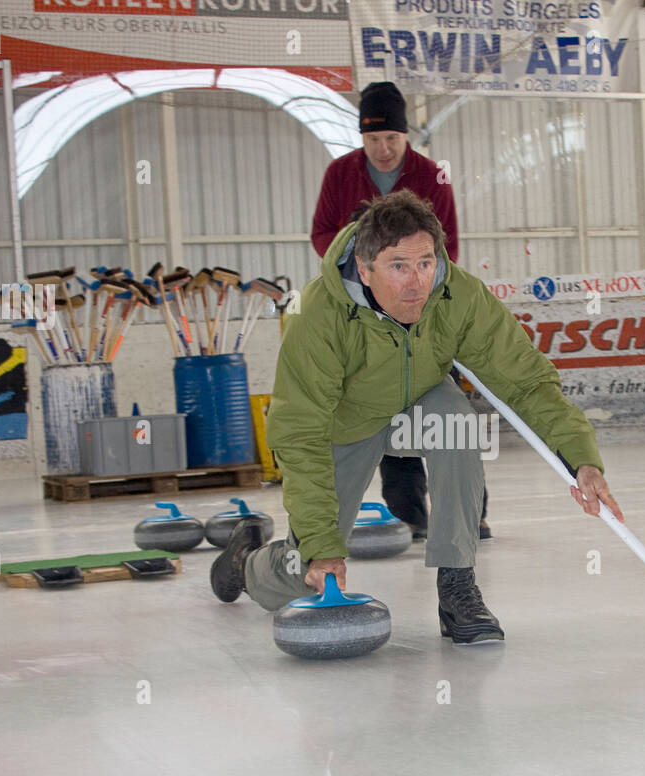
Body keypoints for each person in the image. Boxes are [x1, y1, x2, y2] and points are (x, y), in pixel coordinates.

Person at [215, 191, 621, 644]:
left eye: (425, 263)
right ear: (365, 269)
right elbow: (300, 429)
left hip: (420, 399)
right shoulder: (318, 313)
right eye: (398, 266)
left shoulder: (459, 295)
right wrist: (322, 547)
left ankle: (457, 584)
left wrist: (582, 458)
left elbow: (525, 381)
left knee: (457, 422)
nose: (417, 283)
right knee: (302, 569)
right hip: (344, 422)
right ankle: (247, 566)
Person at [310, 81, 489, 541]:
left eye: (391, 138)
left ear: (406, 135)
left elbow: (448, 242)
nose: (383, 149)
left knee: (445, 406)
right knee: (387, 402)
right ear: (361, 138)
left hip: (423, 310)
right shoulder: (339, 174)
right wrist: (360, 262)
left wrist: (421, 288)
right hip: (365, 313)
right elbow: (321, 234)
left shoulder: (433, 175)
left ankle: (469, 513)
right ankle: (409, 512)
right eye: (373, 140)